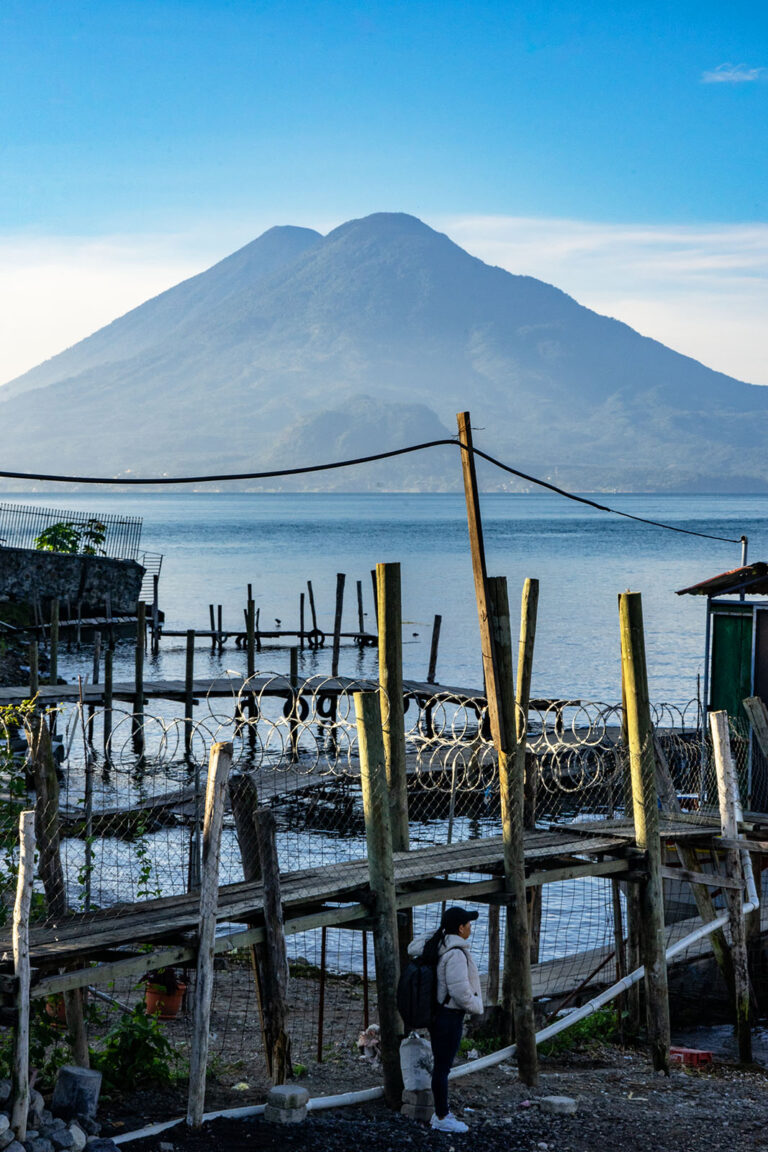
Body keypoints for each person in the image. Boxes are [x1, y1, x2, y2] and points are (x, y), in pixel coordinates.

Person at [408, 905, 483, 1133]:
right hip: (449, 1016)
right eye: (467, 924)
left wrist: (440, 929)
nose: (470, 928)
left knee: (441, 1066)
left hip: (438, 1014)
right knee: (442, 1068)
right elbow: (459, 991)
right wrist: (477, 1007)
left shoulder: (439, 945)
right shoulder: (456, 954)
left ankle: (441, 1113)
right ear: (460, 928)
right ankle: (441, 1116)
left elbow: (413, 945)